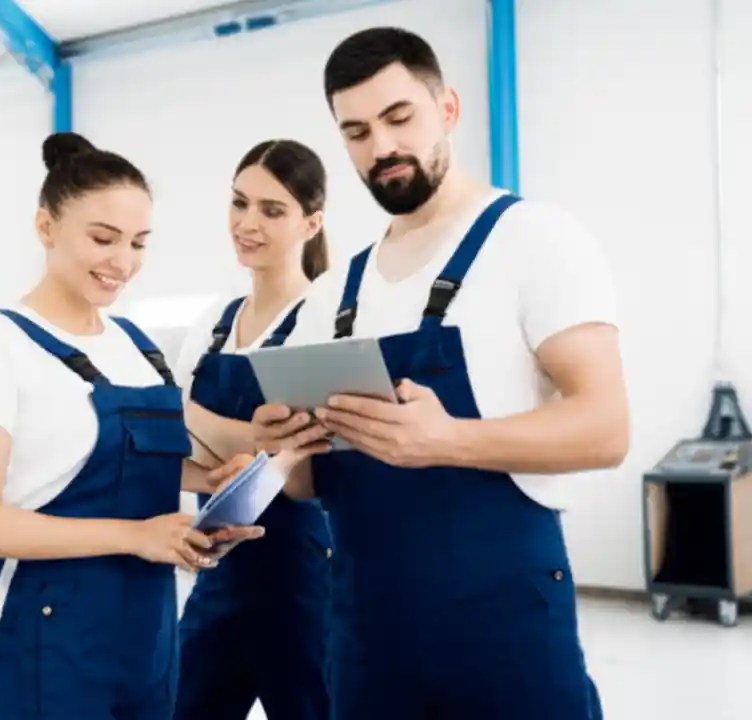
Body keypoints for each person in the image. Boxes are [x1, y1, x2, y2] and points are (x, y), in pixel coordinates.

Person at [216, 26, 630, 719]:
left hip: (504, 637)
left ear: (449, 109)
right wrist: (279, 457)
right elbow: (316, 477)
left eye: (399, 117)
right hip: (365, 643)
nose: (381, 147)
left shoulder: (534, 239)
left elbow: (606, 426)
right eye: (356, 131)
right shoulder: (333, 297)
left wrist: (446, 441)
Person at [0, 132, 263, 720]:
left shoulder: (136, 346)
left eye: (139, 243)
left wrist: (219, 484)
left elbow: (142, 465)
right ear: (45, 227)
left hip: (147, 635)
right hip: (44, 637)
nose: (124, 262)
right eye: (103, 238)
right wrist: (137, 536)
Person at [171, 139, 333, 720]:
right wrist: (254, 441)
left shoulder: (326, 318)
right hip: (217, 570)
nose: (247, 223)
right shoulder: (214, 322)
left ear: (311, 222)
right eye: (239, 204)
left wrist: (194, 416)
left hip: (303, 580)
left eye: (272, 209)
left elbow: (307, 453)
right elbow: (180, 434)